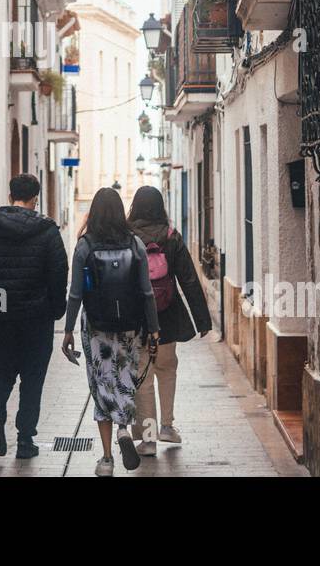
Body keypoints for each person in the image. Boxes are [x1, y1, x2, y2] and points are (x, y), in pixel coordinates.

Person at [0, 172, 69, 460]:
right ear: (35, 198)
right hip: (36, 318)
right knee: (32, 379)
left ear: (10, 195)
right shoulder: (48, 231)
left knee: (0, 372)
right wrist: (56, 309)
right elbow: (59, 273)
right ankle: (25, 440)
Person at [61, 187, 159, 477]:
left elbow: (75, 294)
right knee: (125, 380)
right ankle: (123, 429)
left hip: (96, 329)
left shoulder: (85, 246)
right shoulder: (135, 244)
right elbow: (147, 292)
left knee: (102, 383)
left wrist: (68, 330)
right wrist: (154, 329)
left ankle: (106, 459)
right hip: (130, 327)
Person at [126, 185, 212, 456]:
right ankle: (167, 426)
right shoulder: (171, 237)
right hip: (168, 316)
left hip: (138, 318)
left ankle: (148, 439)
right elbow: (189, 279)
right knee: (166, 369)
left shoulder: (127, 237)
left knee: (143, 376)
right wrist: (202, 320)